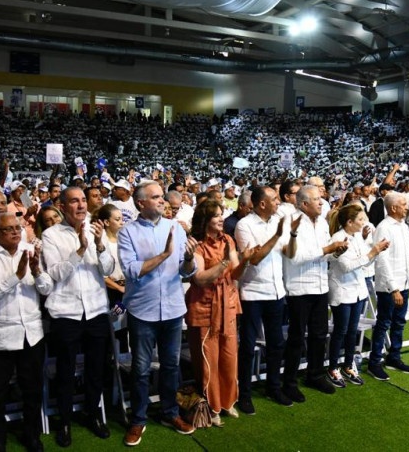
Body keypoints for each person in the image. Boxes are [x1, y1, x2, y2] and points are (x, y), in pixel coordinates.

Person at [117, 181, 198, 446]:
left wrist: (188, 258)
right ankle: (138, 419)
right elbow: (130, 270)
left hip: (173, 308)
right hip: (144, 310)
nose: (162, 201)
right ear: (140, 203)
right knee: (140, 369)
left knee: (171, 366)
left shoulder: (175, 227)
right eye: (156, 197)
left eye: (162, 197)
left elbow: (187, 272)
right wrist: (164, 255)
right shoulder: (127, 232)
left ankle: (169, 413)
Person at [0, 212, 52, 452]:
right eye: (9, 229)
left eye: (18, 227)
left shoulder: (29, 249)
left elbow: (47, 288)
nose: (16, 232)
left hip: (31, 333)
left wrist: (36, 271)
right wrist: (16, 276)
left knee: (32, 390)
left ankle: (32, 435)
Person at [41, 187, 113, 447]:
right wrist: (80, 250)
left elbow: (109, 269)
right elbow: (55, 274)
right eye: (74, 201)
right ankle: (65, 421)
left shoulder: (97, 229)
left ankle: (93, 414)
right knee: (65, 370)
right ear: (62, 205)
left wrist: (100, 245)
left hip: (95, 308)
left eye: (83, 200)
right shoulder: (51, 235)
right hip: (66, 311)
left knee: (96, 367)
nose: (81, 205)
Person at [186, 200, 253, 427]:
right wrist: (224, 260)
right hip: (205, 306)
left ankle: (228, 402)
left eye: (221, 214)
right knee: (208, 360)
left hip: (228, 303)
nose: (221, 218)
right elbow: (200, 278)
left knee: (229, 356)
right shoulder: (197, 246)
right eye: (216, 215)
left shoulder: (228, 239)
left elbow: (235, 274)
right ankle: (211, 406)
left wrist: (246, 260)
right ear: (205, 220)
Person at [281, 185, 348, 398]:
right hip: (299, 287)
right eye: (317, 199)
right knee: (296, 337)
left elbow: (324, 255)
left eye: (321, 199)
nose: (321, 202)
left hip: (320, 285)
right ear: (303, 204)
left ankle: (315, 374)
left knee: (319, 334)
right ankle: (289, 383)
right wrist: (328, 249)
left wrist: (336, 252)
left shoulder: (321, 223)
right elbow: (295, 256)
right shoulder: (290, 222)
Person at [233, 185, 290, 414]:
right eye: (274, 199)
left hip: (277, 291)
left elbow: (288, 252)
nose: (278, 203)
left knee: (276, 343)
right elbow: (254, 258)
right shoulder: (244, 225)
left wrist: (290, 235)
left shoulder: (279, 222)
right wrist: (276, 235)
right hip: (253, 293)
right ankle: (244, 393)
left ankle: (273, 386)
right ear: (262, 203)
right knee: (247, 346)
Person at [367, 192, 409, 381]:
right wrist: (393, 289)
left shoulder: (403, 227)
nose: (406, 207)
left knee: (398, 323)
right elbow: (382, 261)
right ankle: (374, 362)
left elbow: (406, 257)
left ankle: (394, 357)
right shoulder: (384, 228)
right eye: (403, 204)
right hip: (389, 286)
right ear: (393, 207)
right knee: (384, 323)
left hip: (402, 283)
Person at [326, 204, 388, 388]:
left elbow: (364, 263)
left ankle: (347, 364)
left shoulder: (357, 238)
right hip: (342, 290)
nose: (364, 222)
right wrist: (373, 252)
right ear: (349, 222)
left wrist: (377, 252)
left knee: (353, 330)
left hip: (358, 290)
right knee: (340, 331)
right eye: (360, 219)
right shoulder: (338, 238)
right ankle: (332, 367)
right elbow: (346, 266)